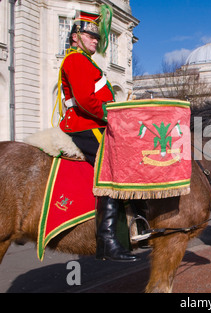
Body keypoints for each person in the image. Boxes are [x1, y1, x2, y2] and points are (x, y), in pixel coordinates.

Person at [57, 8, 138, 262]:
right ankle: (107, 241)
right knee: (112, 167)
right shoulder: (75, 60)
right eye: (90, 36)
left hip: (92, 124)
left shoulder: (87, 62)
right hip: (81, 125)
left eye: (97, 37)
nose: (96, 40)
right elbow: (85, 101)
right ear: (75, 37)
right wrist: (114, 113)